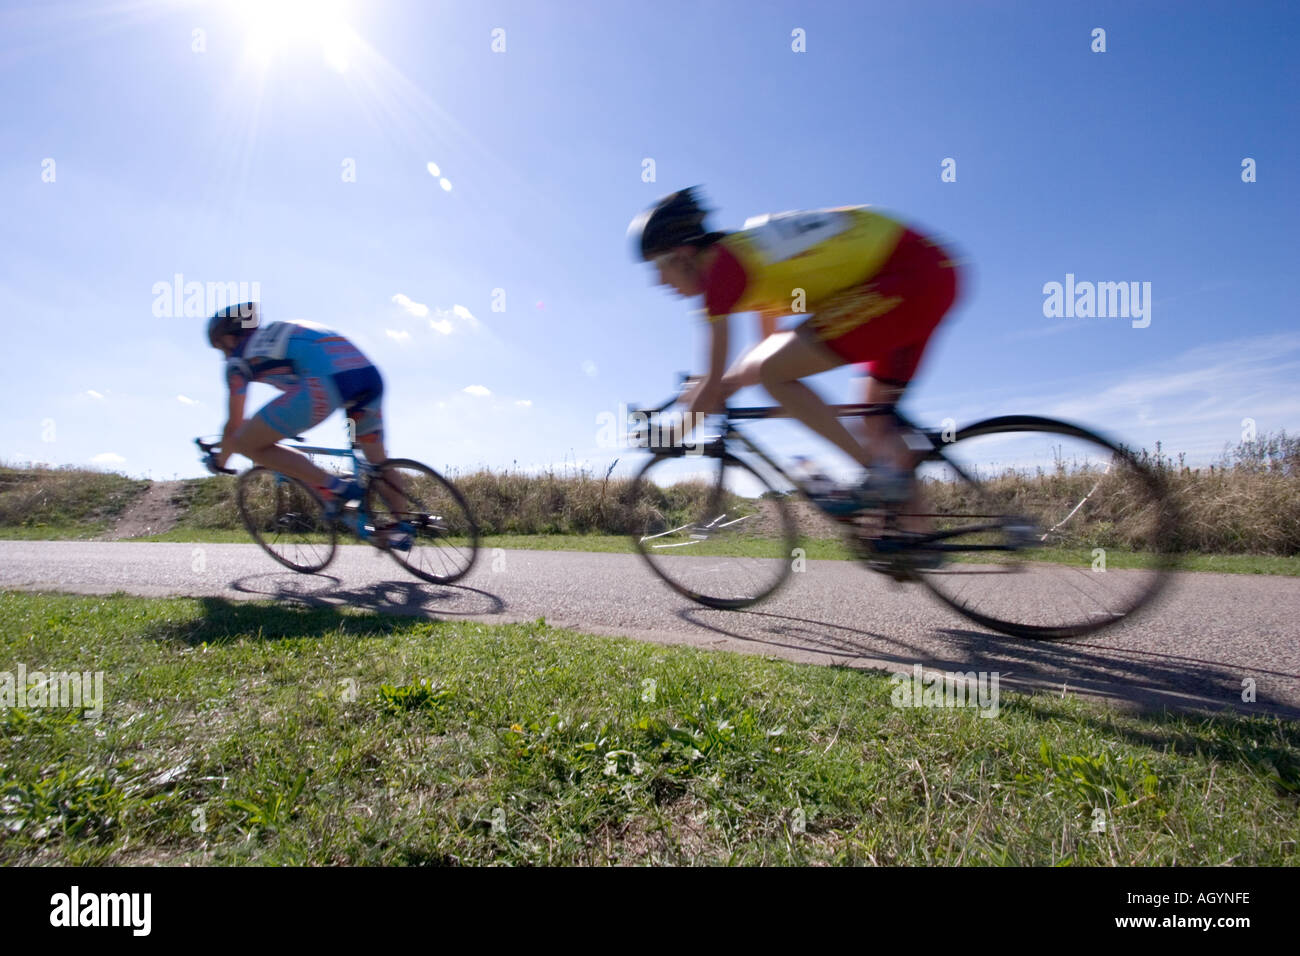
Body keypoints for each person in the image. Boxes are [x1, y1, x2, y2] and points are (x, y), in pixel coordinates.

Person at [627, 187, 963, 528]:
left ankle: (880, 477)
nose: (658, 281)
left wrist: (674, 432)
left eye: (657, 265)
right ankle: (917, 541)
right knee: (876, 421)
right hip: (930, 270)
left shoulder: (721, 272)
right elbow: (765, 351)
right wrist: (720, 386)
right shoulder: (748, 255)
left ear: (682, 255)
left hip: (902, 275)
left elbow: (751, 372)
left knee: (776, 375)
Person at [203, 302, 408, 547]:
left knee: (247, 443)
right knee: (377, 461)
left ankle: (337, 488)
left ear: (228, 338)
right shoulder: (277, 331)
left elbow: (234, 425)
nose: (223, 355)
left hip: (324, 383)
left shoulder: (238, 360)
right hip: (366, 375)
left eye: (219, 348)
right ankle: (401, 525)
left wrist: (221, 462)